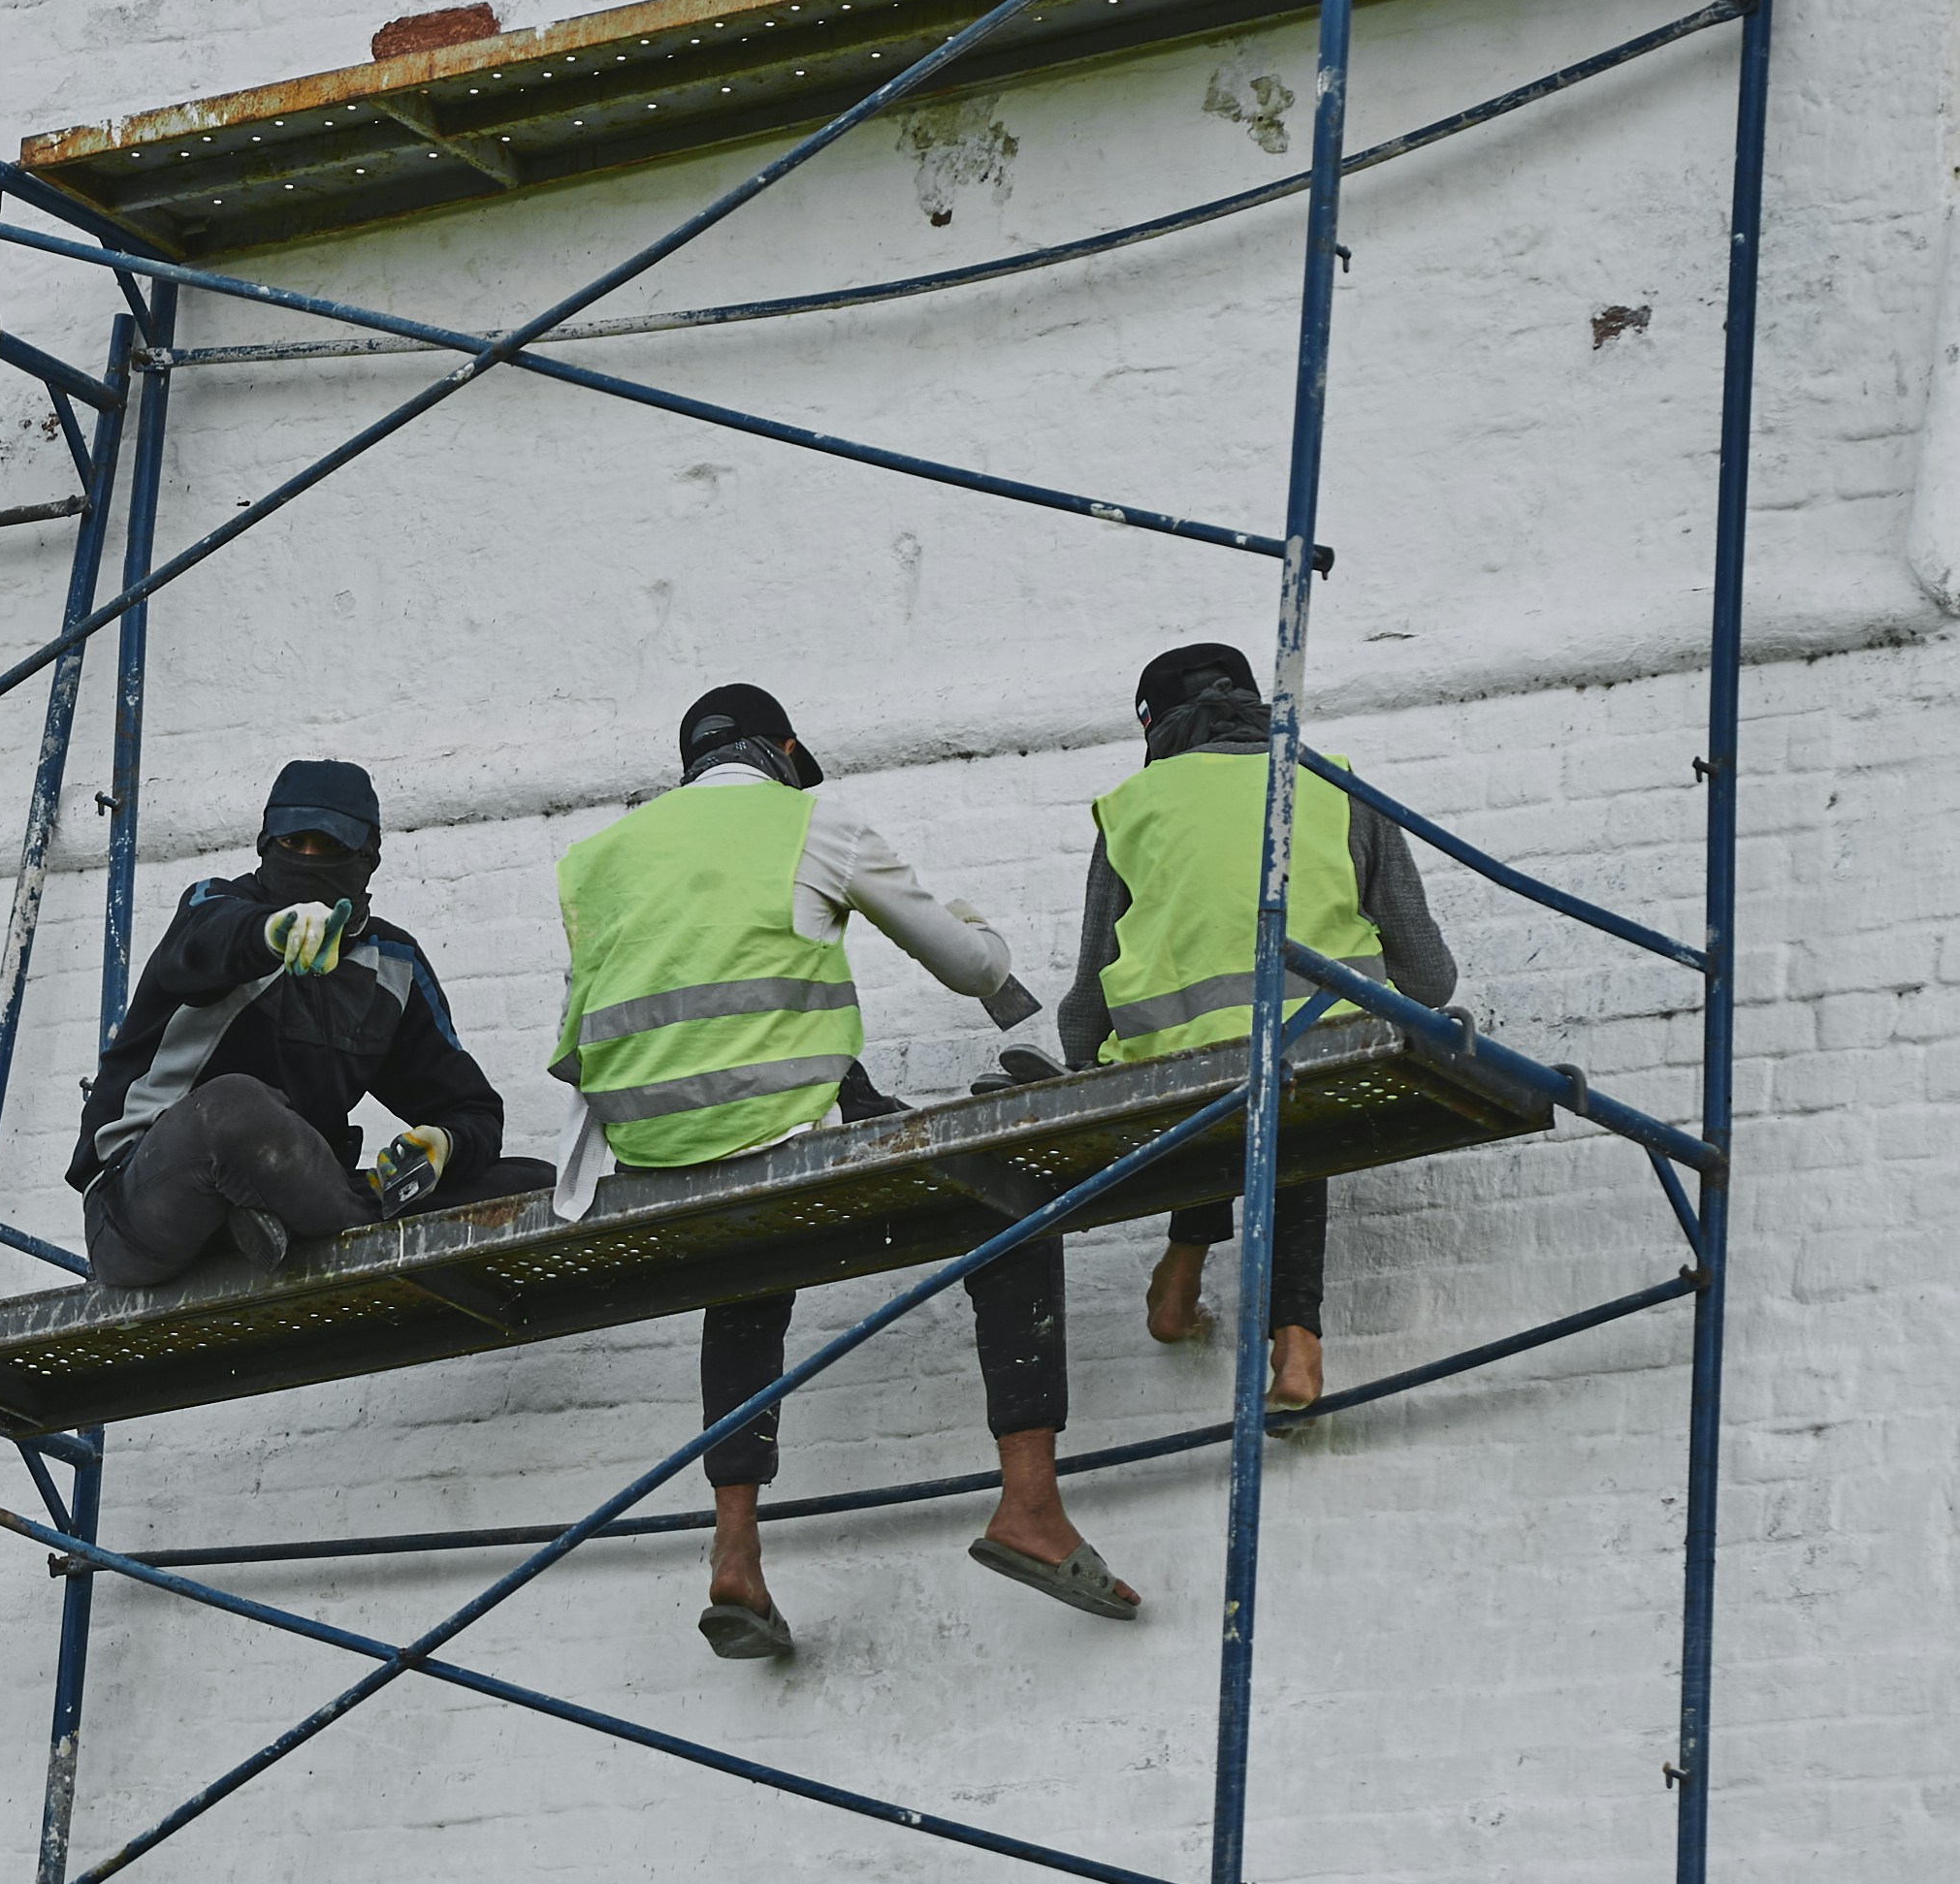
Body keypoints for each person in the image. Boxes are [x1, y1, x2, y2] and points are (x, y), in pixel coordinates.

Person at [552, 684, 1134, 1661]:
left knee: (748, 1268)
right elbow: (967, 967)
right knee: (1017, 1198)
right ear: (781, 748)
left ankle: (733, 1551)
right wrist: (982, 933)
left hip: (649, 1150)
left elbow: (579, 1033)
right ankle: (1030, 1504)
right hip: (783, 1113)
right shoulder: (812, 822)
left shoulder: (595, 861)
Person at [1059, 642, 1458, 1416]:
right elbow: (1429, 977)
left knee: (1222, 1089)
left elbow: (1088, 991)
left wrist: (1082, 1061)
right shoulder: (1329, 783)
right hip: (1320, 1045)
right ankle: (1296, 1344)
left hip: (1175, 1066)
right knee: (1290, 1093)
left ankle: (1180, 1265)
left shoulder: (1131, 808)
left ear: (1154, 728)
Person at [68, 756, 546, 1288]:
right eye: (294, 843)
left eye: (332, 846)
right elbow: (204, 943)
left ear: (369, 856)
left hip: (296, 1195)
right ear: (265, 843)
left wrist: (442, 1146)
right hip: (143, 1204)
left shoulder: (393, 965)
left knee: (529, 1185)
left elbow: (470, 1108)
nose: (309, 859)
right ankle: (346, 1232)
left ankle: (291, 1228)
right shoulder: (217, 907)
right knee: (235, 1110)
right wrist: (270, 932)